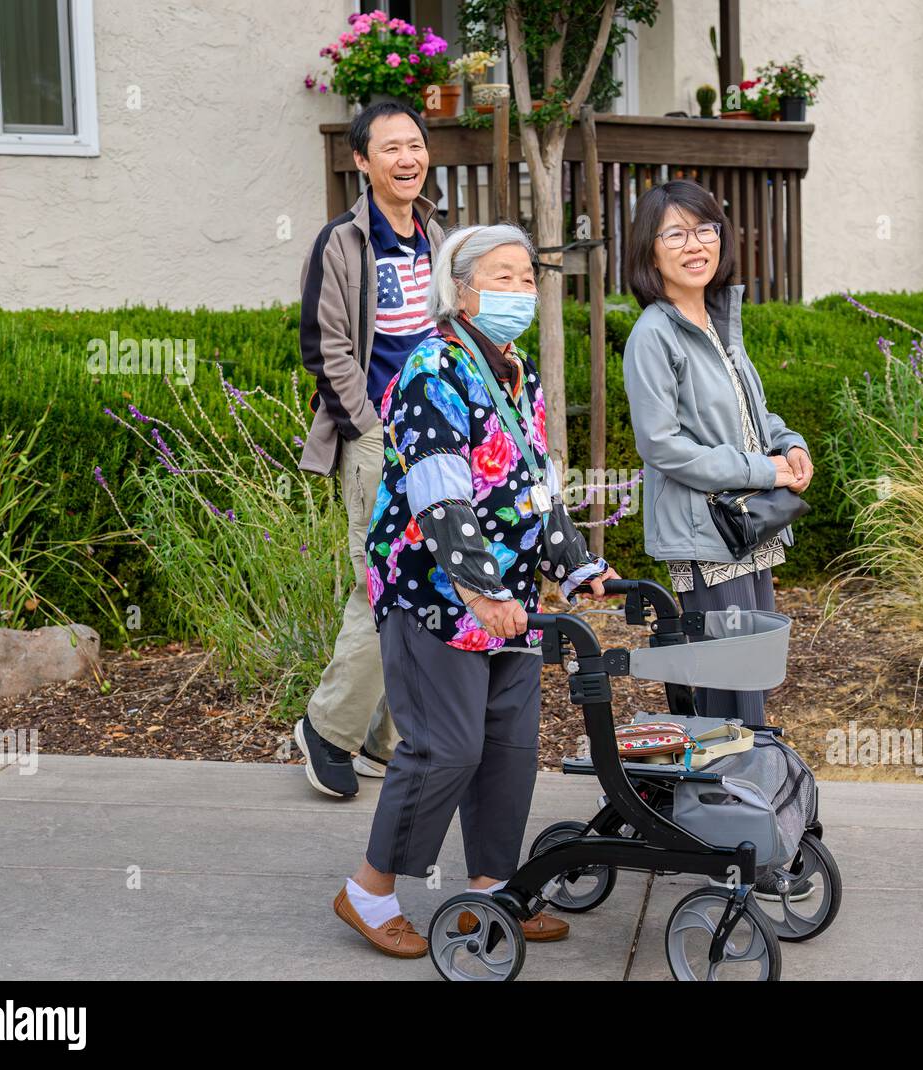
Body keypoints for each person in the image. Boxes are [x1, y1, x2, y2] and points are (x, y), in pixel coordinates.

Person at [331, 223, 619, 957]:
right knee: (444, 749)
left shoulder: (517, 374)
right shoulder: (434, 369)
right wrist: (477, 588)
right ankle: (368, 889)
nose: (520, 290)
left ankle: (494, 892)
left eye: (528, 277)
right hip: (437, 594)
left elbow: (535, 486)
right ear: (461, 289)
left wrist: (580, 568)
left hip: (510, 598)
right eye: (502, 276)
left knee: (509, 748)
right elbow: (439, 496)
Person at [293, 101, 445, 798]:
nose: (407, 158)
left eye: (415, 144)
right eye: (390, 148)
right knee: (378, 584)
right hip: (378, 441)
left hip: (437, 439)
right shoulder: (343, 242)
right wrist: (367, 426)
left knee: (430, 582)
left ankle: (385, 739)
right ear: (362, 161)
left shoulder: (435, 238)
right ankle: (327, 729)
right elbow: (324, 349)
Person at [622, 180, 813, 725]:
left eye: (706, 229)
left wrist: (788, 445)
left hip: (748, 525)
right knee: (726, 684)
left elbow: (751, 412)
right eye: (676, 233)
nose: (695, 244)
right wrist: (762, 470)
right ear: (650, 251)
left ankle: (749, 788)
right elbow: (661, 445)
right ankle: (719, 796)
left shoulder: (719, 319)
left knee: (752, 670)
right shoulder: (654, 334)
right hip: (706, 533)